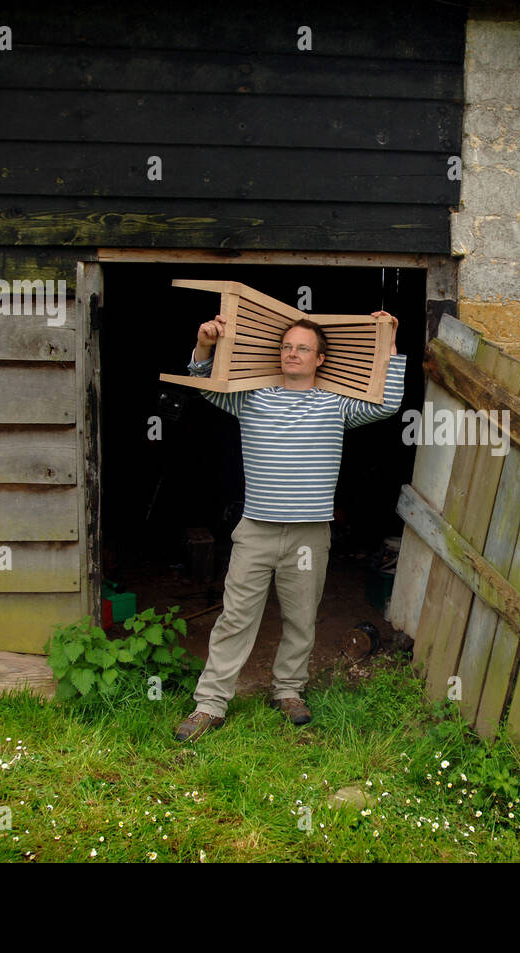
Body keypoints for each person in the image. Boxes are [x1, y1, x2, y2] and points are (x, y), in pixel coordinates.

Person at [173, 309, 406, 741]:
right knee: (236, 618)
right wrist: (205, 342)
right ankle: (210, 704)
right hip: (256, 529)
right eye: (287, 346)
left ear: (319, 359)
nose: (292, 353)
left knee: (301, 618)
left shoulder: (336, 406)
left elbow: (388, 402)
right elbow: (205, 383)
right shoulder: (251, 396)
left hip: (308, 533)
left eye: (302, 347)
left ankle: (289, 691)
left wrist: (389, 342)